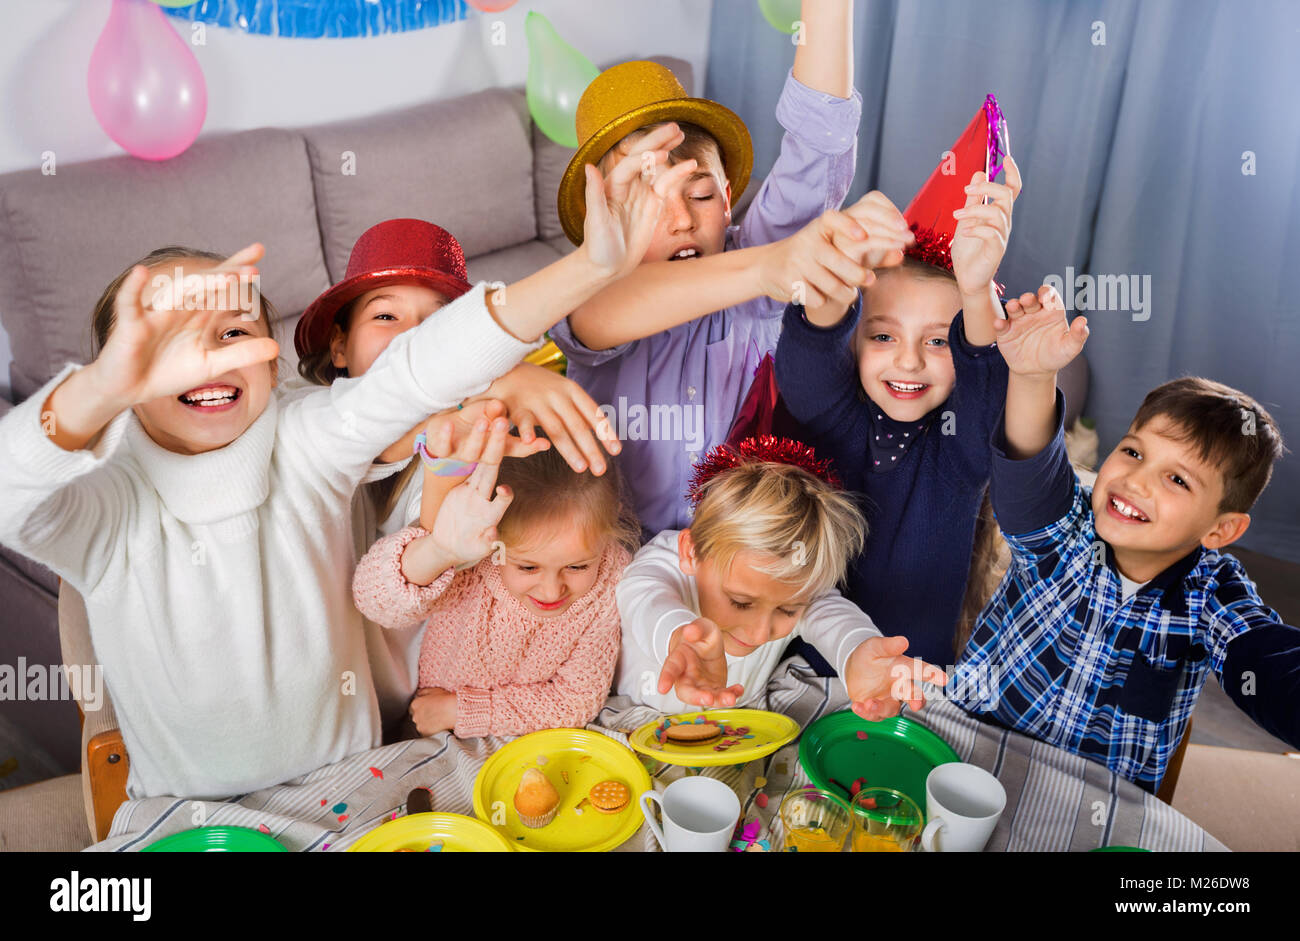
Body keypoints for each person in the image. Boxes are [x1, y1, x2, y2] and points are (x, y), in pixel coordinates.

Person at [0, 128, 683, 799]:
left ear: (270, 357)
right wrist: (97, 390)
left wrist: (591, 265)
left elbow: (415, 373)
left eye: (235, 331)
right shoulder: (102, 501)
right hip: (189, 811)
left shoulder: (305, 441)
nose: (206, 355)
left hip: (359, 786)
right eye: (167, 341)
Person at [949, 285, 1300, 790]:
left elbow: (1266, 663)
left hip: (1087, 811)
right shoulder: (1065, 526)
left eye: (1177, 480)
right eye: (1134, 452)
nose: (1135, 481)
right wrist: (1031, 375)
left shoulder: (1212, 594)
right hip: (964, 758)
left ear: (1221, 529)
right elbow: (1029, 468)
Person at [549, 0, 869, 536]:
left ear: (725, 198)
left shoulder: (760, 266)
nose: (679, 220)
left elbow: (816, 145)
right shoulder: (587, 291)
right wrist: (767, 266)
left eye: (697, 195)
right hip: (621, 570)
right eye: (648, 205)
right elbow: (595, 309)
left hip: (748, 565)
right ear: (605, 220)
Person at [293, 217, 622, 736]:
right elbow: (380, 418)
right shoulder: (313, 426)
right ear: (338, 347)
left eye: (436, 324)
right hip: (339, 688)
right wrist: (501, 383)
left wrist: (495, 390)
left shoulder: (484, 447)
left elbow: (446, 517)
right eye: (386, 316)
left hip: (427, 688)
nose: (413, 340)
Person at [614, 437, 947, 719]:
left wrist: (856, 651)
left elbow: (831, 614)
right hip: (634, 714)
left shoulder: (797, 581)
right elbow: (643, 595)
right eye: (741, 602)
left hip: (736, 724)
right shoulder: (667, 558)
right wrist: (678, 637)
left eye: (788, 611)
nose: (761, 632)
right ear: (691, 554)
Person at [352, 418, 638, 737]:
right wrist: (440, 551)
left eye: (578, 567)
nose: (551, 589)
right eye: (528, 567)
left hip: (501, 728)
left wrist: (459, 710)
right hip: (429, 725)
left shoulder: (611, 575)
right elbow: (372, 601)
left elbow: (576, 699)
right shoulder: (475, 555)